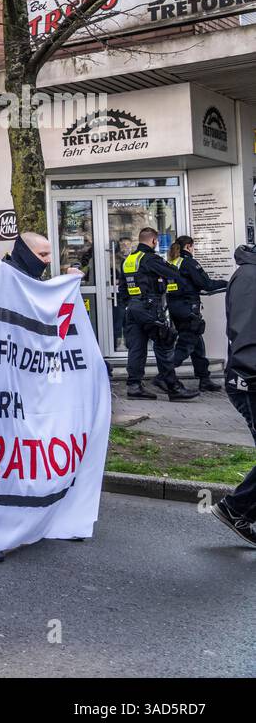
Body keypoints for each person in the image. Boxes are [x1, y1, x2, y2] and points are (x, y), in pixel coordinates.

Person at [120, 227, 197, 401]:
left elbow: (122, 289)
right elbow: (173, 273)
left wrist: (131, 304)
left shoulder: (129, 260)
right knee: (165, 343)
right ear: (154, 241)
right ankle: (173, 387)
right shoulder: (150, 259)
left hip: (133, 308)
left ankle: (134, 387)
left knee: (137, 348)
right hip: (150, 307)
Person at [216, 244, 256, 546]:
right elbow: (245, 336)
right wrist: (249, 377)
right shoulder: (250, 276)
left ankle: (239, 508)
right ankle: (236, 508)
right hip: (250, 381)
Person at [167, 235, 227, 392]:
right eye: (193, 246)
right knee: (186, 344)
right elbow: (206, 284)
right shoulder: (189, 262)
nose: (193, 249)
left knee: (197, 343)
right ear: (188, 246)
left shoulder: (173, 262)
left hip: (175, 309)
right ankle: (165, 374)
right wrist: (228, 283)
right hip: (188, 309)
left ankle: (204, 379)